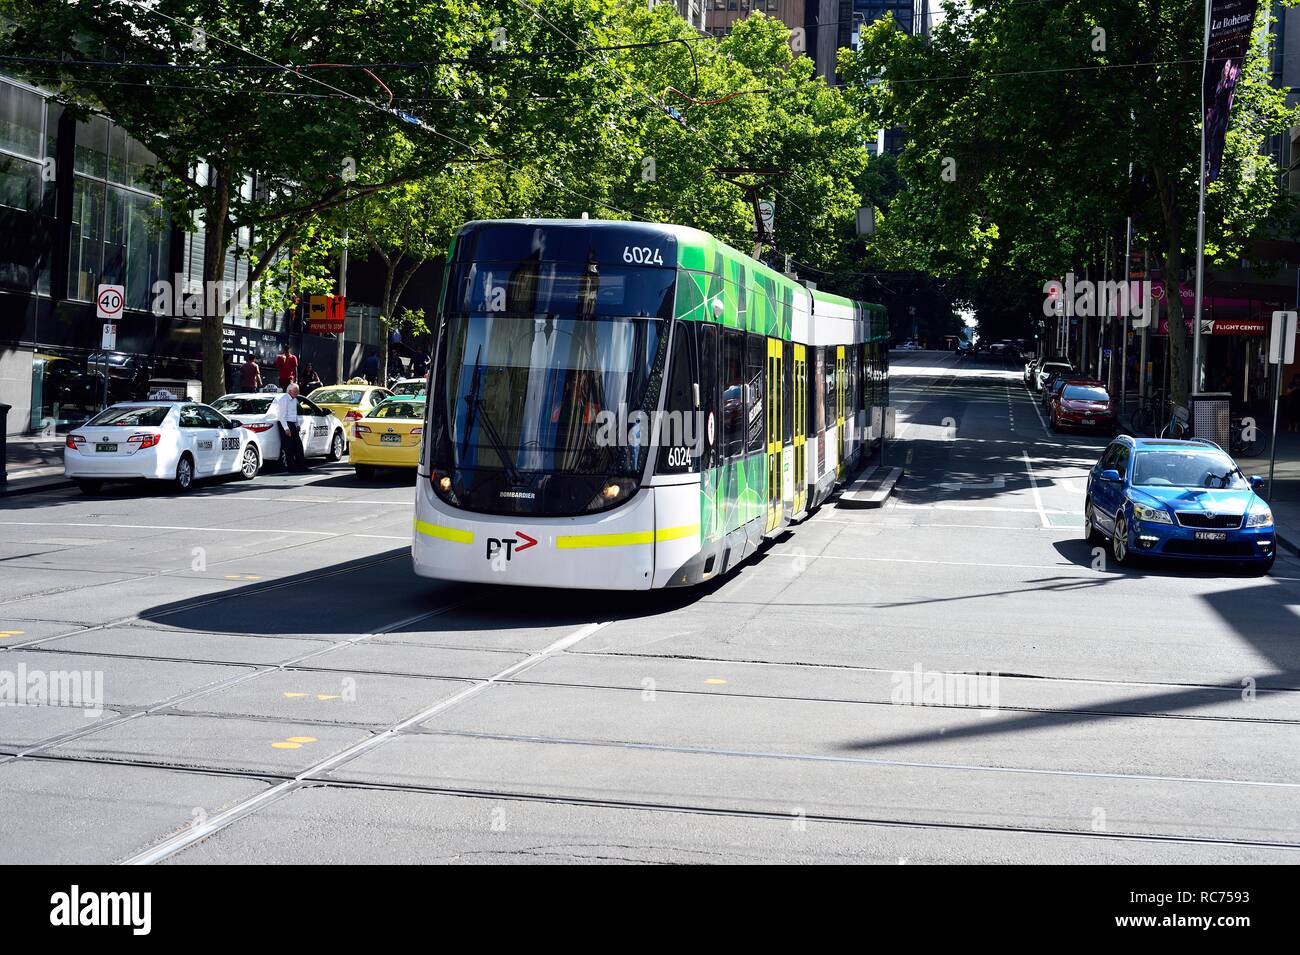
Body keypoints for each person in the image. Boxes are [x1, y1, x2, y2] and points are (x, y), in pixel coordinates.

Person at [274, 382, 308, 472]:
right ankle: (291, 467)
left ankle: (301, 466)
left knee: (298, 446)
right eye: (295, 391)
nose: (297, 393)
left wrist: (297, 424)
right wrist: (286, 428)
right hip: (285, 424)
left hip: (292, 423)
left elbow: (294, 414)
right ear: (289, 391)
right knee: (288, 447)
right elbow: (281, 416)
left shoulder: (294, 400)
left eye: (298, 391)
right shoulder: (284, 399)